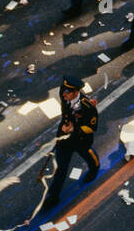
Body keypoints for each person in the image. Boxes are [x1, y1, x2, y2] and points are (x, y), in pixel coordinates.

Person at [39, 77, 100, 210]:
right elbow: (66, 111)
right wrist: (66, 129)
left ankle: (94, 168)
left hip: (80, 139)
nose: (64, 94)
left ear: (76, 92)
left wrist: (74, 129)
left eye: (68, 92)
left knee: (87, 154)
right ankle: (53, 197)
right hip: (64, 138)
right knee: (61, 168)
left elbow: (91, 127)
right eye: (64, 91)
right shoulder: (64, 94)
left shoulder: (88, 106)